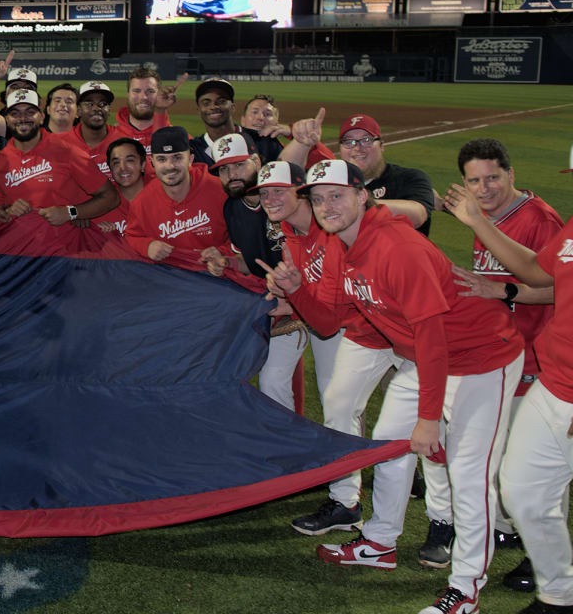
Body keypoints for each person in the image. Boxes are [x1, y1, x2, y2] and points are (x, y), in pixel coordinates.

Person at [264, 159, 524, 614]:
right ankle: (381, 542)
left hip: (481, 356)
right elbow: (325, 322)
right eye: (319, 197)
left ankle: (465, 590)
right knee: (386, 444)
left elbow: (432, 335)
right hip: (426, 359)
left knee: (469, 475)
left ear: (364, 196)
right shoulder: (336, 243)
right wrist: (295, 289)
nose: (327, 206)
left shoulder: (398, 246)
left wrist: (428, 419)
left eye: (338, 195)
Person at [442, 134, 573, 614]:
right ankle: (559, 593)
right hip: (554, 389)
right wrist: (477, 222)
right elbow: (536, 272)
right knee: (523, 494)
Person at [416, 139, 564, 578]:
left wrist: (502, 291)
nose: (485, 189)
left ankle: (543, 563)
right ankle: (506, 528)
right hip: (501, 349)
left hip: (537, 356)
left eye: (493, 178)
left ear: (512, 174)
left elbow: (562, 285)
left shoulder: (538, 219)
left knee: (534, 468)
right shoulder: (487, 214)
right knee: (498, 459)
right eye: (474, 181)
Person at [261, 158, 394, 542]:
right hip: (340, 322)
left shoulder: (332, 228)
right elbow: (318, 301)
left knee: (355, 409)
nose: (270, 198)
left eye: (278, 190)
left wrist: (297, 298)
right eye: (264, 192)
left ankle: (356, 498)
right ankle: (342, 495)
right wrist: (288, 297)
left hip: (370, 325)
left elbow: (328, 312)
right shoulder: (289, 229)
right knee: (337, 405)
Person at [204, 132, 305, 411]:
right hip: (282, 305)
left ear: (257, 161)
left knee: (337, 396)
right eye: (224, 169)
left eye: (239, 165)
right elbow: (252, 261)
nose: (232, 174)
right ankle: (288, 449)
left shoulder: (282, 198)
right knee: (272, 384)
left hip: (319, 303)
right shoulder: (232, 208)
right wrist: (227, 261)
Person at [0, 89, 117, 229]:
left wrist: (72, 212)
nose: (22, 118)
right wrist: (6, 213)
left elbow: (110, 197)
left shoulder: (67, 151)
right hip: (20, 246)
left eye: (30, 112)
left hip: (64, 246)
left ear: (42, 117)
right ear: (7, 119)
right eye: (15, 113)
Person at [281, 112, 433, 235]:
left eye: (366, 140)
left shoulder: (409, 177)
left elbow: (418, 215)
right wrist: (302, 144)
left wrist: (354, 204)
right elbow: (286, 176)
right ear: (340, 149)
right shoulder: (329, 181)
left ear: (382, 146)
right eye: (349, 142)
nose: (357, 148)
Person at [124, 127, 230, 267]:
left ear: (190, 159)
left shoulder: (221, 191)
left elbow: (243, 237)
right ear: (152, 163)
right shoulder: (142, 202)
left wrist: (222, 253)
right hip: (171, 276)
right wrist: (147, 246)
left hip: (216, 275)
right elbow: (132, 236)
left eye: (177, 157)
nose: (170, 166)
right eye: (161, 159)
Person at [93, 138, 147, 236]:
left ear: (143, 165)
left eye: (130, 160)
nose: (123, 168)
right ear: (110, 168)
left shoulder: (162, 196)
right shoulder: (102, 205)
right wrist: (99, 235)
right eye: (116, 163)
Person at [186, 78, 238, 167]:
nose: (213, 106)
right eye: (206, 103)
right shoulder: (191, 150)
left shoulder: (256, 139)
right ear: (198, 110)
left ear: (233, 107)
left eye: (221, 101)